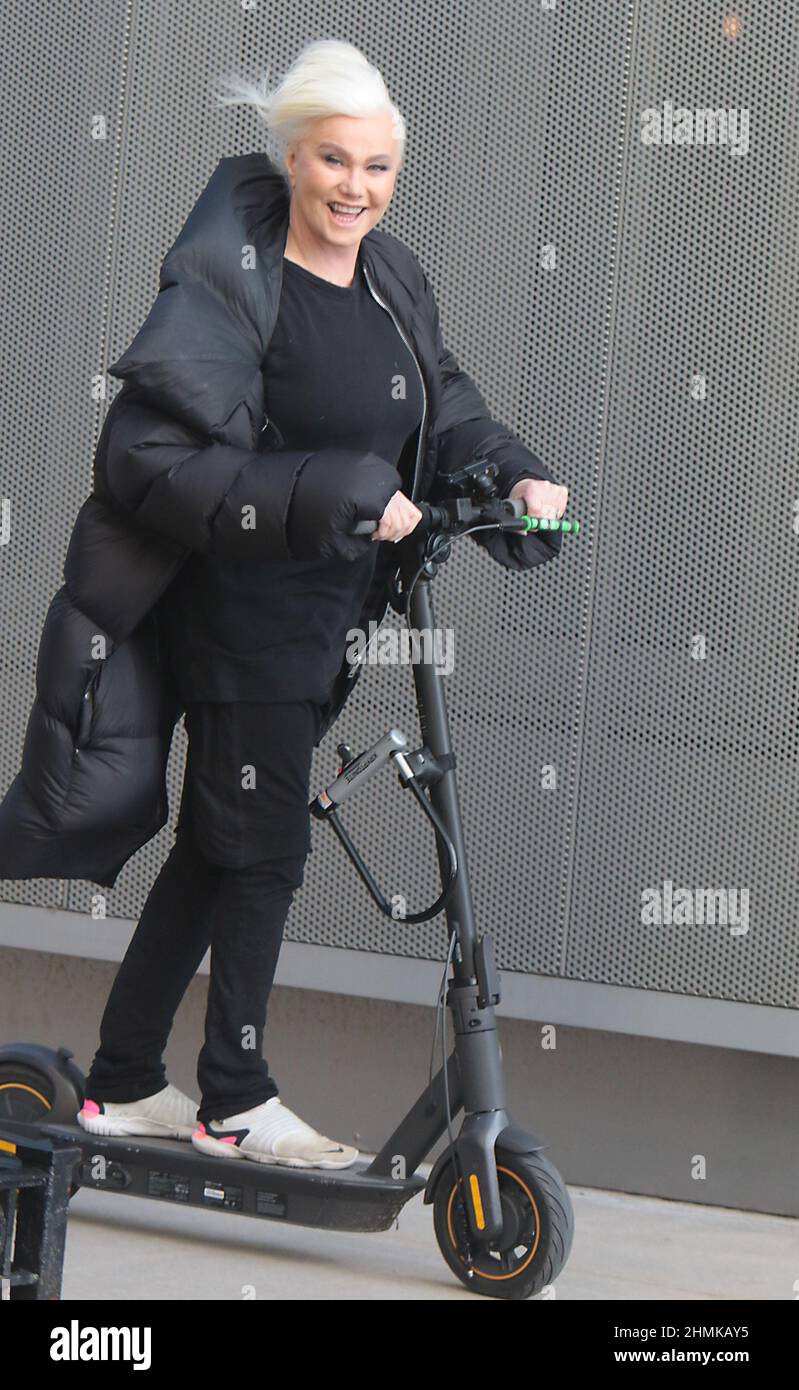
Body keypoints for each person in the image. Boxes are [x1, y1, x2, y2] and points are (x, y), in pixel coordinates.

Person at [75, 39, 568, 1169]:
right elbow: (151, 462)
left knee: (219, 843)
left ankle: (119, 1079)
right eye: (335, 162)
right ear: (291, 158)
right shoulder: (231, 285)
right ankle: (235, 1094)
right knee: (264, 854)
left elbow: (444, 407)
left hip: (327, 620)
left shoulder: (392, 277)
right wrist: (343, 490)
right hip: (243, 615)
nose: (356, 188)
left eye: (379, 168)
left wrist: (514, 475)